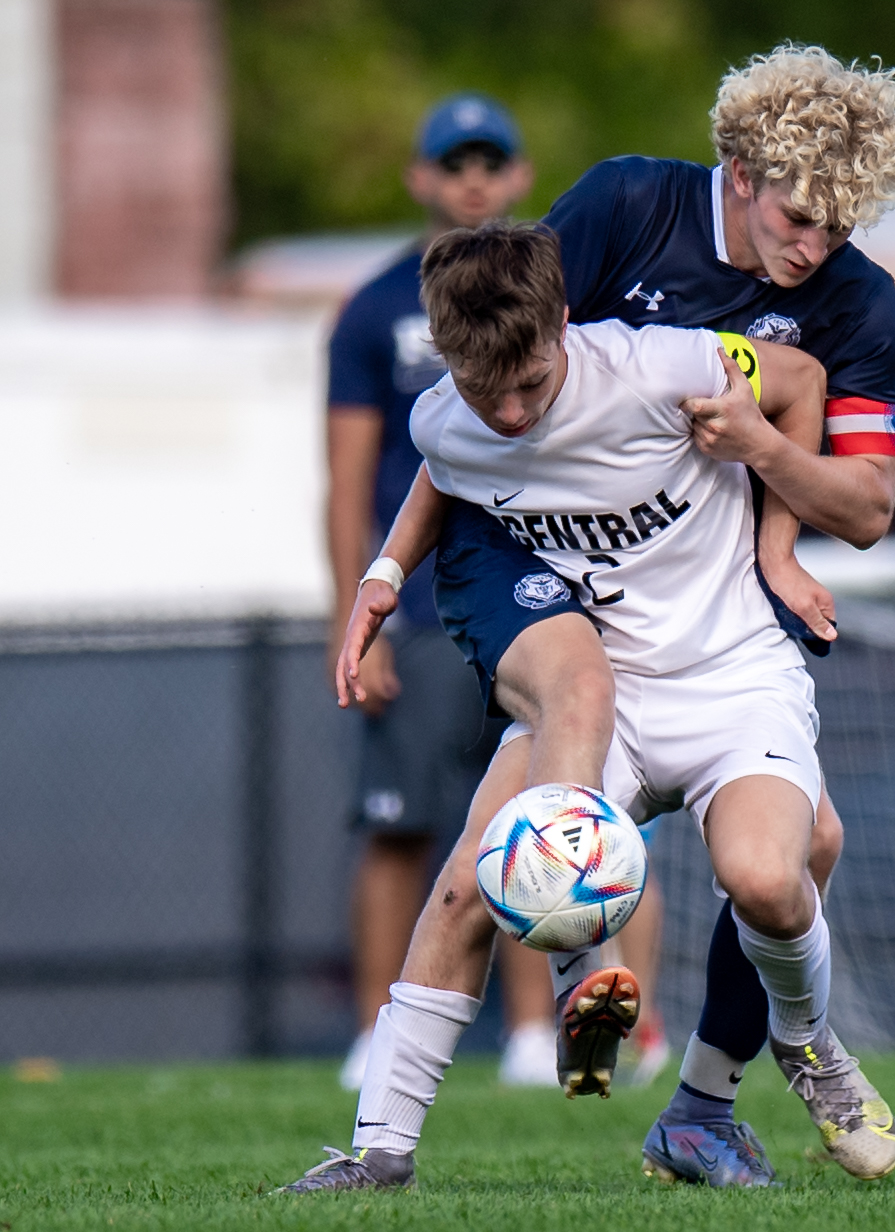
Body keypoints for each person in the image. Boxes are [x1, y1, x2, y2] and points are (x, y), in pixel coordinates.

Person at [337, 44, 895, 1186]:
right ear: (741, 168)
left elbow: (864, 496)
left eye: (841, 229)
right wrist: (381, 577)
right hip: (527, 559)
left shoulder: (834, 308)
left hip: (707, 616)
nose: (816, 249)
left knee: (797, 853)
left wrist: (772, 525)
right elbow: (494, 369)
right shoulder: (622, 211)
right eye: (801, 217)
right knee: (490, 844)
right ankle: (393, 1135)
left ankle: (735, 1080)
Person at [326, 93, 562, 1088]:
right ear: (422, 177)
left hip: (542, 593)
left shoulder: (554, 289)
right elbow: (347, 480)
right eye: (454, 162)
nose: (473, 179)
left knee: (541, 817)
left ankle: (538, 1036)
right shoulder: (377, 308)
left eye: (490, 160)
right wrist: (360, 615)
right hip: (425, 611)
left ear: (518, 176)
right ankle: (378, 1030)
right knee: (399, 823)